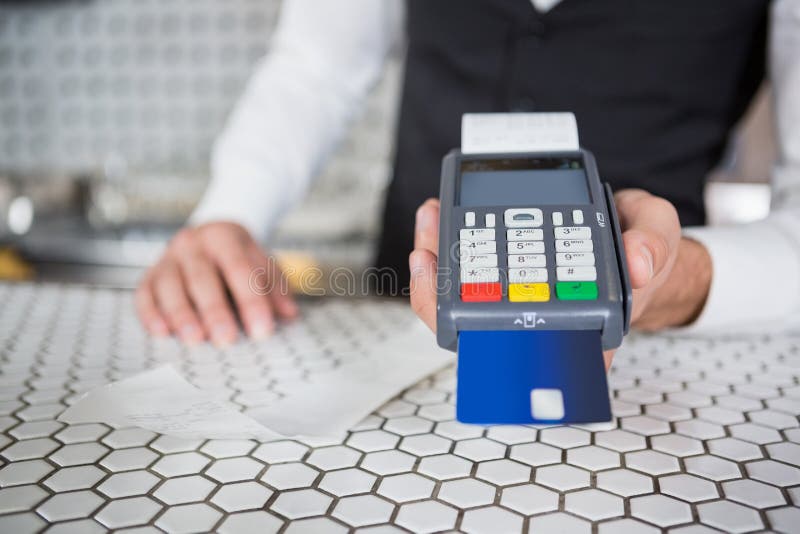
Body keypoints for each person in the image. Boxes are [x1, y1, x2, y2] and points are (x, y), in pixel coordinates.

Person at [135, 0, 800, 348]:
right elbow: (318, 65)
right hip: (400, 318)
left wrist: (673, 279)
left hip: (663, 363)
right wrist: (230, 211)